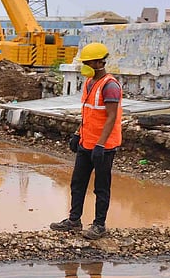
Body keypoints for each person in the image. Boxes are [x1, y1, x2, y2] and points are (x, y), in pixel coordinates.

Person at [50, 42, 122, 241]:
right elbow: (88, 114)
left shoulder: (110, 86)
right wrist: (77, 133)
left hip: (103, 147)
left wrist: (100, 144)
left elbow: (111, 117)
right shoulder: (90, 83)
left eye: (88, 62)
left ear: (99, 62)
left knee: (101, 187)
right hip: (86, 142)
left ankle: (99, 225)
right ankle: (74, 221)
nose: (85, 66)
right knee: (77, 183)